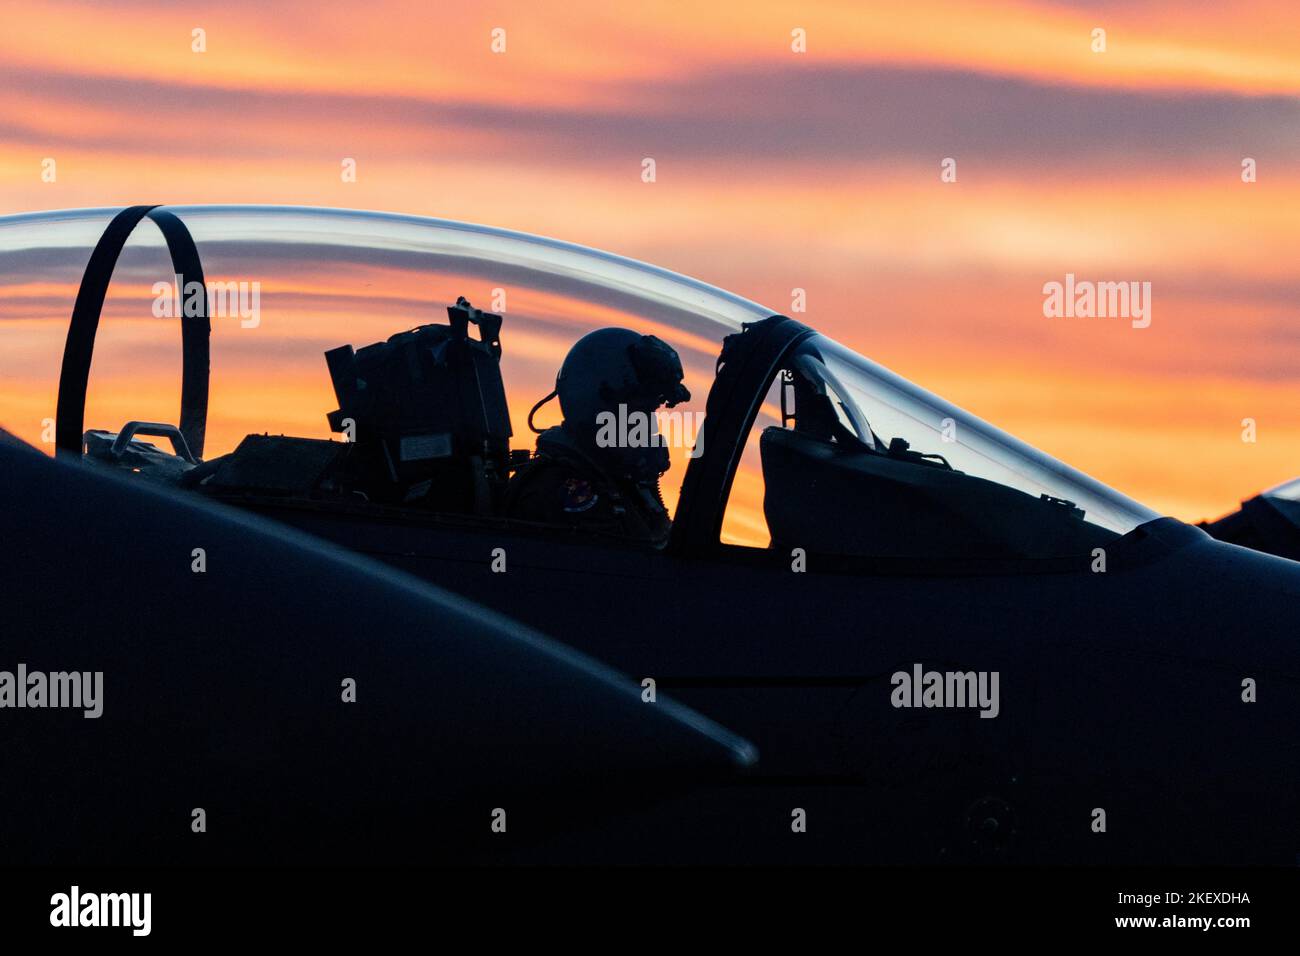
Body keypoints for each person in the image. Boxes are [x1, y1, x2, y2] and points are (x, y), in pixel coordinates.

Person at [506, 328, 690, 543]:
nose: (646, 428)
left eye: (650, 413)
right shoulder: (561, 496)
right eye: (638, 412)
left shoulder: (618, 484)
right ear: (597, 407)